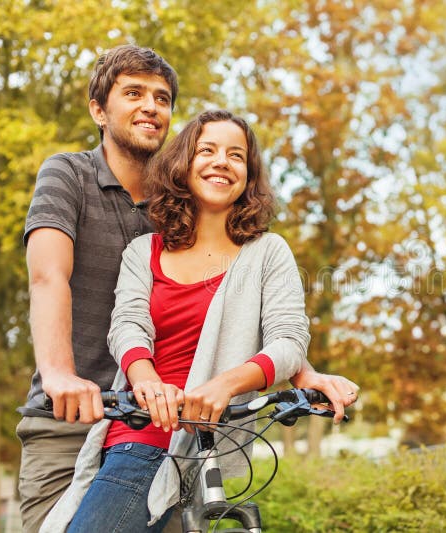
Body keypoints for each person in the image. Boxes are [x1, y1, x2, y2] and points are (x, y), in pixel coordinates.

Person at [18, 45, 357, 533]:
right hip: (74, 412)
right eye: (133, 93)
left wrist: (300, 371)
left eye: (161, 97)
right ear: (98, 109)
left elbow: (239, 311)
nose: (150, 106)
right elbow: (49, 277)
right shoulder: (69, 176)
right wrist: (58, 374)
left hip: (186, 431)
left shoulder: (179, 206)